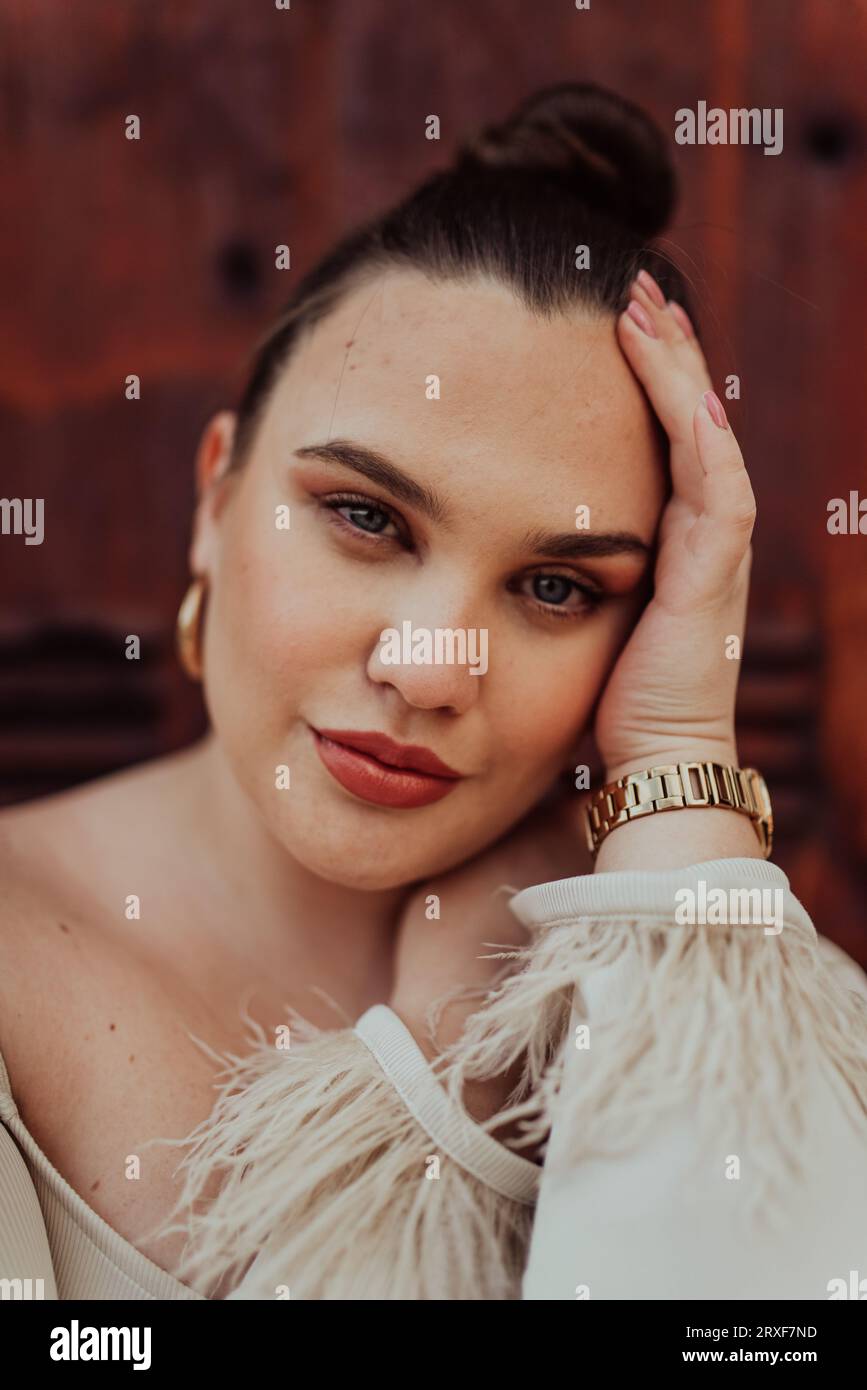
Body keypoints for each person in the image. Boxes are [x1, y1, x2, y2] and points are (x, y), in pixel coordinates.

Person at [2, 81, 866, 1302]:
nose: (429, 667)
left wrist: (675, 764)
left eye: (558, 587)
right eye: (366, 517)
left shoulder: (695, 961)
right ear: (214, 497)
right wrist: (442, 1083)